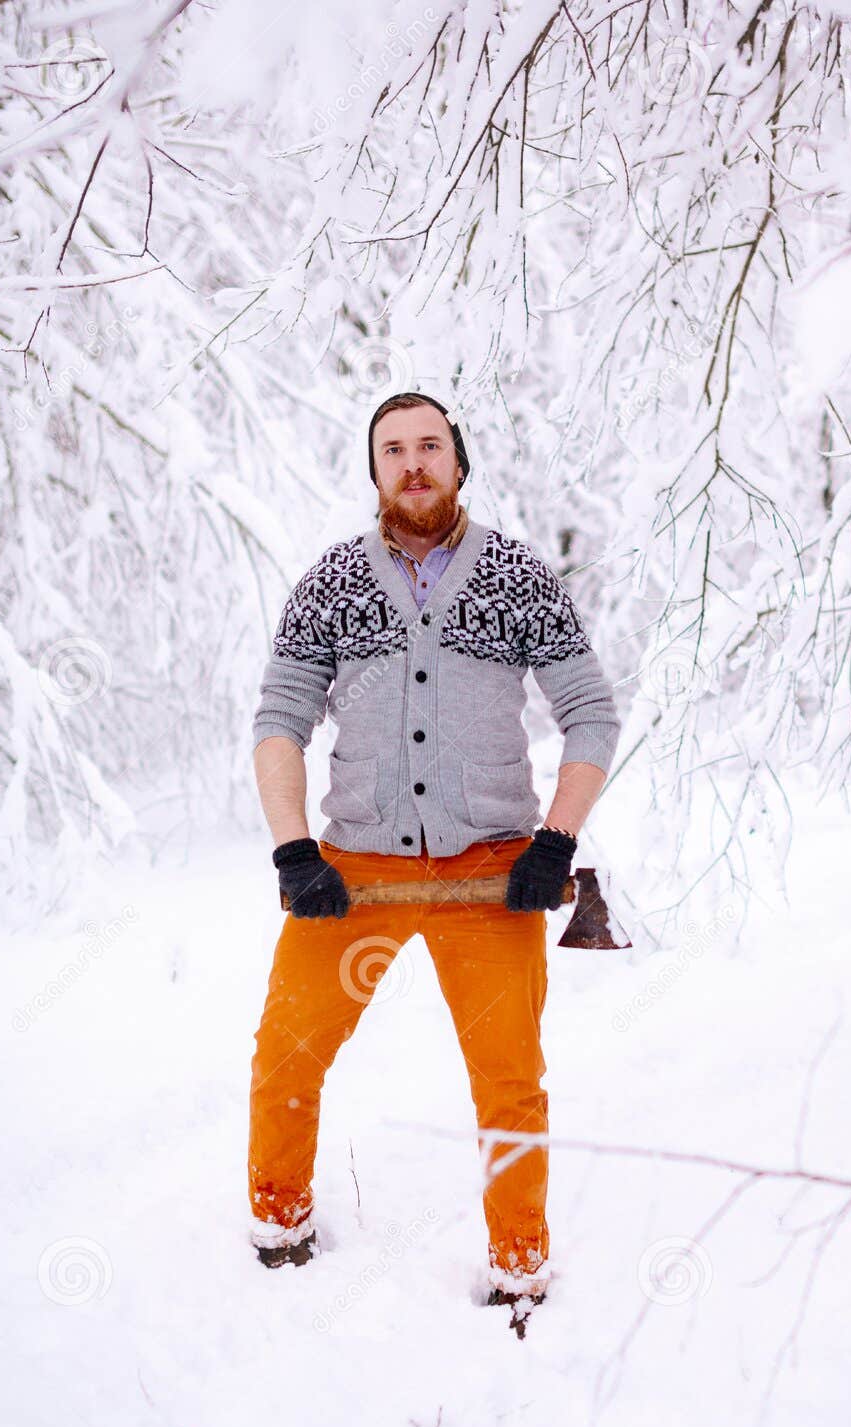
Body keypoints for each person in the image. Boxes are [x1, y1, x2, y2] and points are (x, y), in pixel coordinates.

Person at [248, 390, 621, 1334]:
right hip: (352, 878)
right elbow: (280, 720)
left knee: (509, 1081)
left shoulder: (518, 579)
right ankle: (278, 1228)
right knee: (287, 1053)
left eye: (428, 446)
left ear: (458, 461)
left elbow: (590, 713)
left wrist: (555, 840)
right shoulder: (332, 582)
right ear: (374, 470)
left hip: (494, 875)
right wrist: (293, 848)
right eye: (392, 450)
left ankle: (519, 1270)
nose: (411, 463)